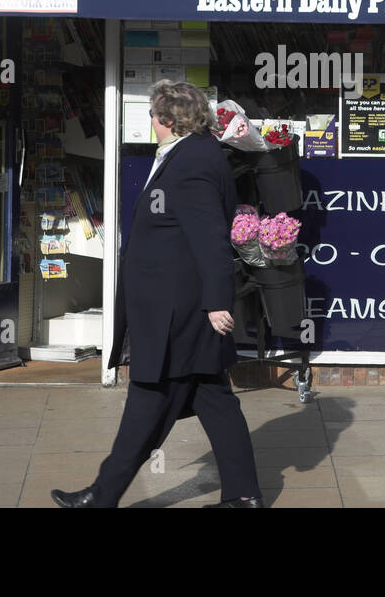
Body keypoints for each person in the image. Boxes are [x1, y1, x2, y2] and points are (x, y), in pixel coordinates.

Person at [52, 80, 262, 508]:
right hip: (180, 307)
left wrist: (217, 302)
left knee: (148, 399)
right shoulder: (188, 154)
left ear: (167, 119)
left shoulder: (193, 162)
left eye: (152, 114)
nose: (150, 121)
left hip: (178, 314)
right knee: (215, 400)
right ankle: (244, 497)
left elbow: (210, 237)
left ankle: (102, 496)